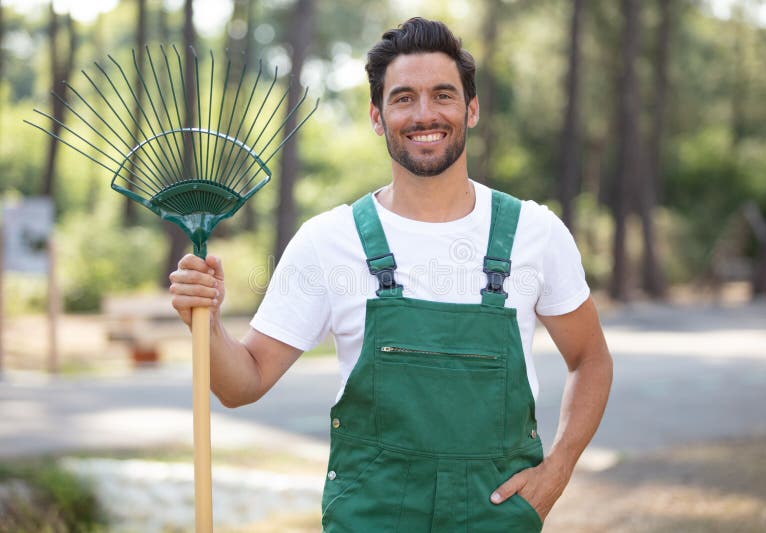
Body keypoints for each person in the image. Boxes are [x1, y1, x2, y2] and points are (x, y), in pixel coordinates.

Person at [170, 16, 612, 532]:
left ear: (471, 109)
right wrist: (207, 324)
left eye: (442, 95)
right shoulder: (328, 241)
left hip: (495, 519)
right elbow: (242, 383)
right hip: (370, 519)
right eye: (403, 98)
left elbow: (591, 359)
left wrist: (557, 471)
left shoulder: (535, 233)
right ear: (378, 116)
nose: (425, 114)